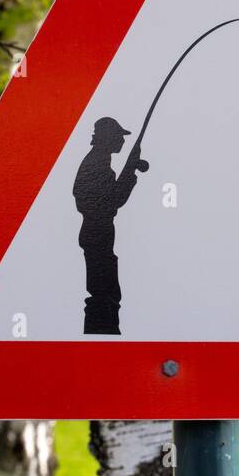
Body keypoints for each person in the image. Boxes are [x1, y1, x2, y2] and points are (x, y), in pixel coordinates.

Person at [74, 117, 148, 334]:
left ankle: (104, 335)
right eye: (118, 136)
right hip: (96, 234)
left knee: (106, 293)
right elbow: (112, 200)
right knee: (103, 295)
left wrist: (130, 170)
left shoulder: (100, 162)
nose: (122, 141)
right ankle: (101, 336)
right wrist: (130, 172)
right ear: (108, 138)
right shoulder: (96, 164)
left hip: (98, 234)